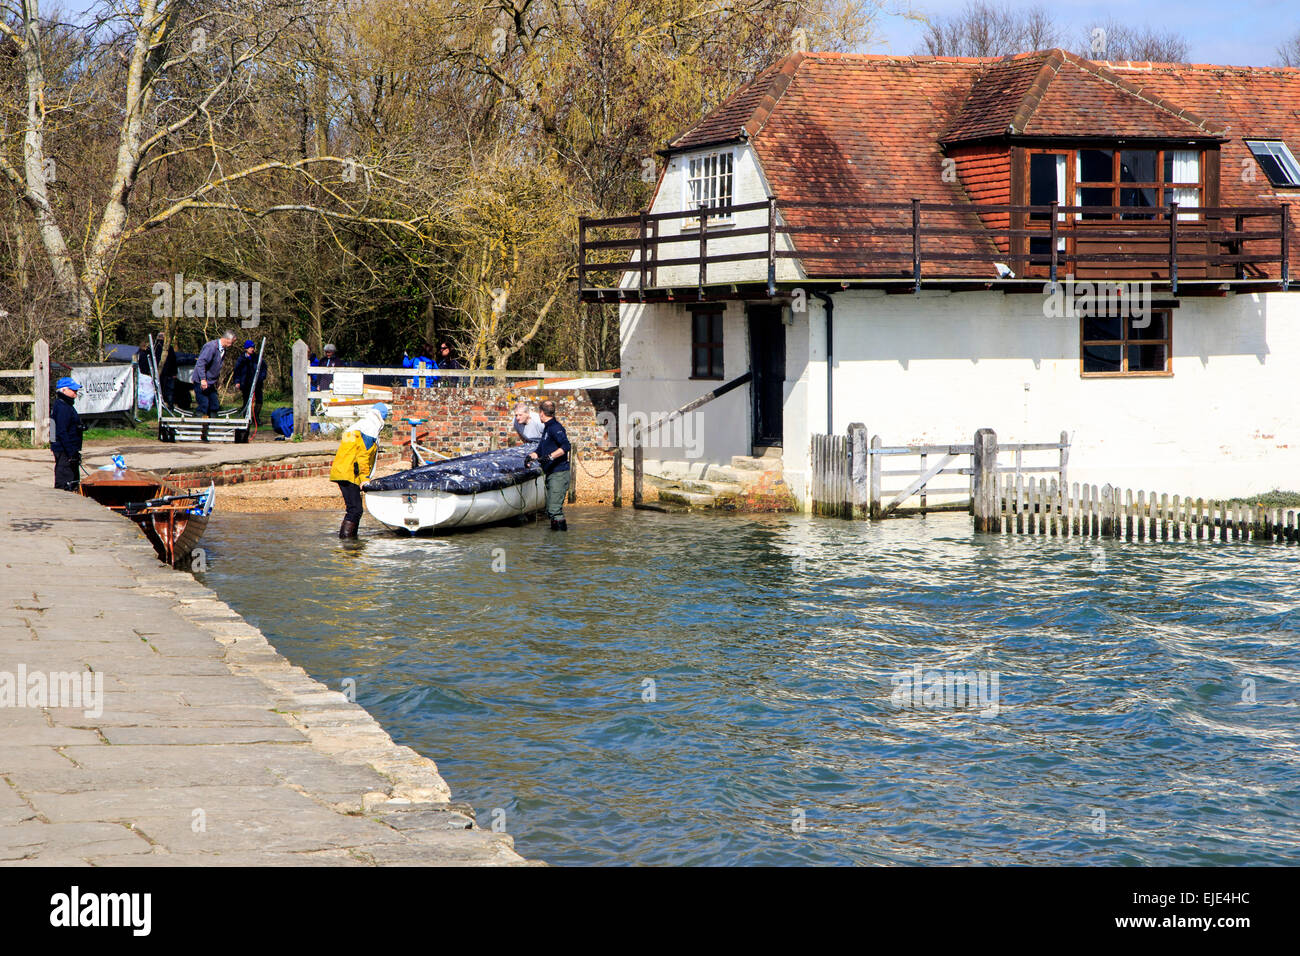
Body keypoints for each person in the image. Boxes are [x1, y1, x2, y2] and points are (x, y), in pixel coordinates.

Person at [329, 403, 389, 538]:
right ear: (381, 416)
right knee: (355, 510)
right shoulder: (369, 428)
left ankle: (350, 541)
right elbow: (363, 456)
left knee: (355, 509)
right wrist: (365, 479)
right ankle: (347, 543)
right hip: (349, 472)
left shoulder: (360, 425)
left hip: (343, 470)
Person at [527, 399, 571, 531]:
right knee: (550, 510)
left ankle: (559, 543)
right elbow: (540, 450)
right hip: (551, 473)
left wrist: (550, 457)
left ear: (541, 413)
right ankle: (554, 546)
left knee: (554, 510)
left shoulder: (555, 428)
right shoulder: (547, 428)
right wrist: (530, 457)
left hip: (559, 473)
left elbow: (566, 446)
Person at [193, 328, 235, 429]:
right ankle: (199, 426)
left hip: (211, 382)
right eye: (232, 342)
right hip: (201, 381)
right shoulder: (211, 347)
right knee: (204, 404)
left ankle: (211, 426)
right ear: (227, 339)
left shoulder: (223, 350)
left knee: (214, 404)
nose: (233, 344)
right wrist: (203, 379)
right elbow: (201, 363)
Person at [50, 377, 86, 492]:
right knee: (66, 480)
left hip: (66, 448)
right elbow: (61, 431)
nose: (75, 392)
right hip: (64, 449)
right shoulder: (62, 407)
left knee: (72, 478)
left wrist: (79, 427)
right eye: (73, 390)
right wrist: (71, 452)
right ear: (64, 390)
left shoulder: (65, 404)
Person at [233, 339, 268, 425]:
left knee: (259, 400)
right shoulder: (241, 359)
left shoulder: (258, 358)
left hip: (257, 383)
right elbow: (237, 371)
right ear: (246, 348)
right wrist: (237, 382)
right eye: (250, 348)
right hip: (246, 384)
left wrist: (261, 377)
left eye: (253, 347)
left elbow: (264, 368)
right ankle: (246, 418)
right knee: (246, 401)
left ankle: (256, 417)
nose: (252, 349)